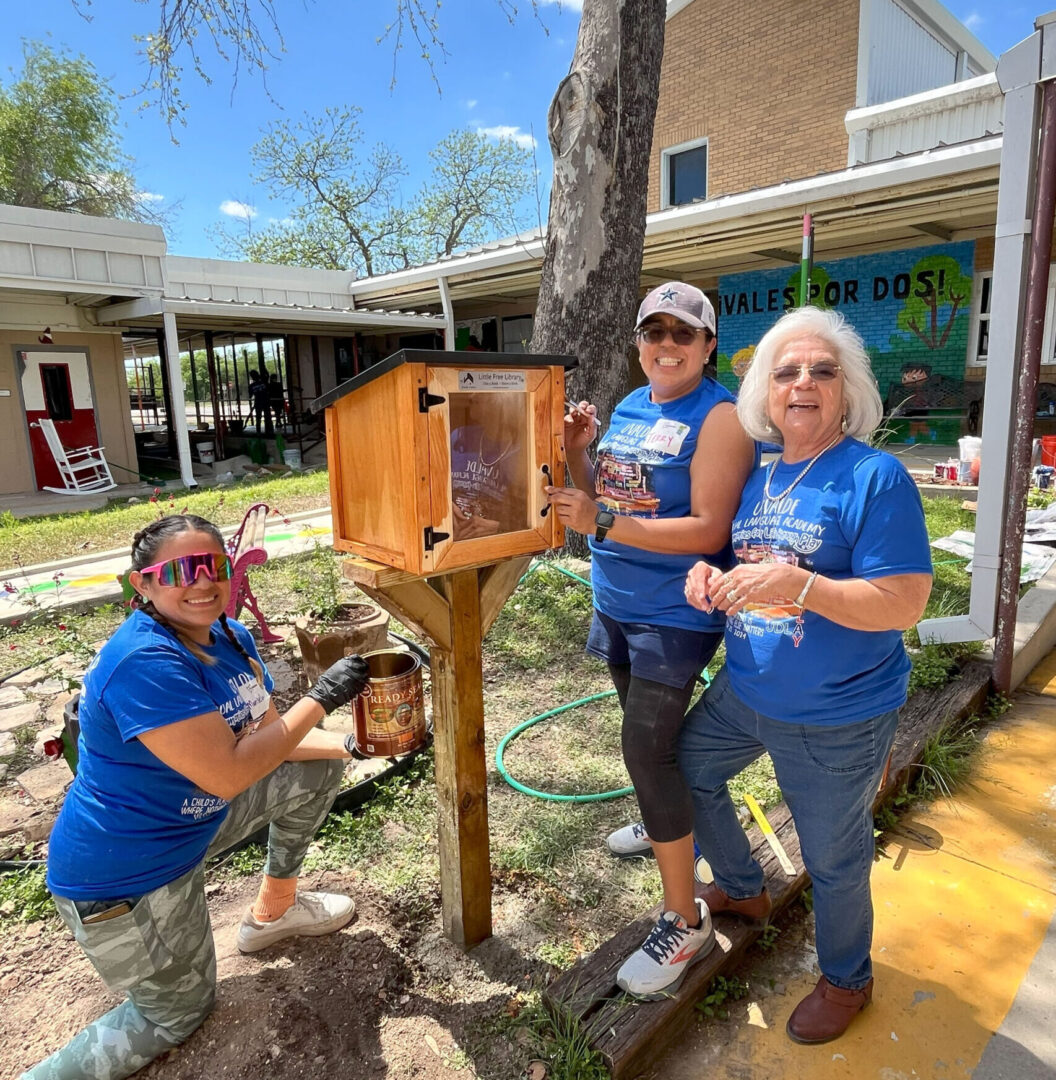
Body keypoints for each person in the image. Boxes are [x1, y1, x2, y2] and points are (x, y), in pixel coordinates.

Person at [24, 514, 370, 1080]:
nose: (204, 582)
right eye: (183, 570)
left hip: (193, 826)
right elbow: (229, 775)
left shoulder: (229, 635)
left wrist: (353, 745)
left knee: (316, 772)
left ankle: (272, 914)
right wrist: (324, 698)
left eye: (215, 566)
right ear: (144, 583)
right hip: (128, 877)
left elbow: (270, 738)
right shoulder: (145, 662)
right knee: (176, 1016)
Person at [680, 306, 932, 1044]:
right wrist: (712, 577)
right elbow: (755, 567)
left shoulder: (874, 477)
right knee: (687, 768)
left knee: (835, 858)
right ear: (764, 391)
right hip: (745, 692)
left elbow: (903, 603)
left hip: (837, 716)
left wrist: (802, 587)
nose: (803, 384)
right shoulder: (764, 478)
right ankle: (744, 888)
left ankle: (847, 979)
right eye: (786, 371)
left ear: (847, 391)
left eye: (822, 371)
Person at [545, 282, 756, 1000]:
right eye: (653, 332)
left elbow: (708, 529)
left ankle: (684, 917)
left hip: (675, 608)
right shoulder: (634, 406)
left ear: (707, 346)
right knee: (647, 745)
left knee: (645, 746)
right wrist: (579, 452)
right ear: (638, 342)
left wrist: (600, 521)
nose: (666, 345)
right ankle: (667, 824)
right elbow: (604, 499)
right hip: (617, 598)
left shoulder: (720, 416)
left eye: (683, 334)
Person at [249, 369, 273, 436]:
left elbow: (250, 395)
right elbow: (267, 376)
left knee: (258, 417)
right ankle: (269, 431)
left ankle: (258, 432)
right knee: (267, 416)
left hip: (258, 402)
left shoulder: (251, 386)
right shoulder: (264, 382)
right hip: (265, 402)